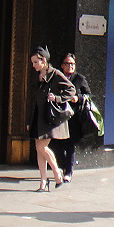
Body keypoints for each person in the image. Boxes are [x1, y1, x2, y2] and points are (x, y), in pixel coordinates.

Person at [27, 46, 75, 192]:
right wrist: (30, 121)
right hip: (38, 116)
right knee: (38, 148)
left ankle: (57, 172)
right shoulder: (38, 76)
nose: (34, 65)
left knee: (42, 147)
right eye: (33, 63)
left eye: (36, 62)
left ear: (44, 60)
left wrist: (58, 98)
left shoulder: (54, 74)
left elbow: (71, 89)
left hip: (49, 118)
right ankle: (43, 181)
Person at [50, 53, 91, 183]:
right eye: (67, 63)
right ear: (62, 65)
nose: (70, 66)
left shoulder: (79, 79)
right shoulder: (57, 77)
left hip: (73, 116)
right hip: (59, 114)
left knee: (70, 144)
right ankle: (62, 166)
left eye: (72, 64)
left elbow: (88, 94)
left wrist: (77, 98)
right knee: (56, 144)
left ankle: (69, 171)